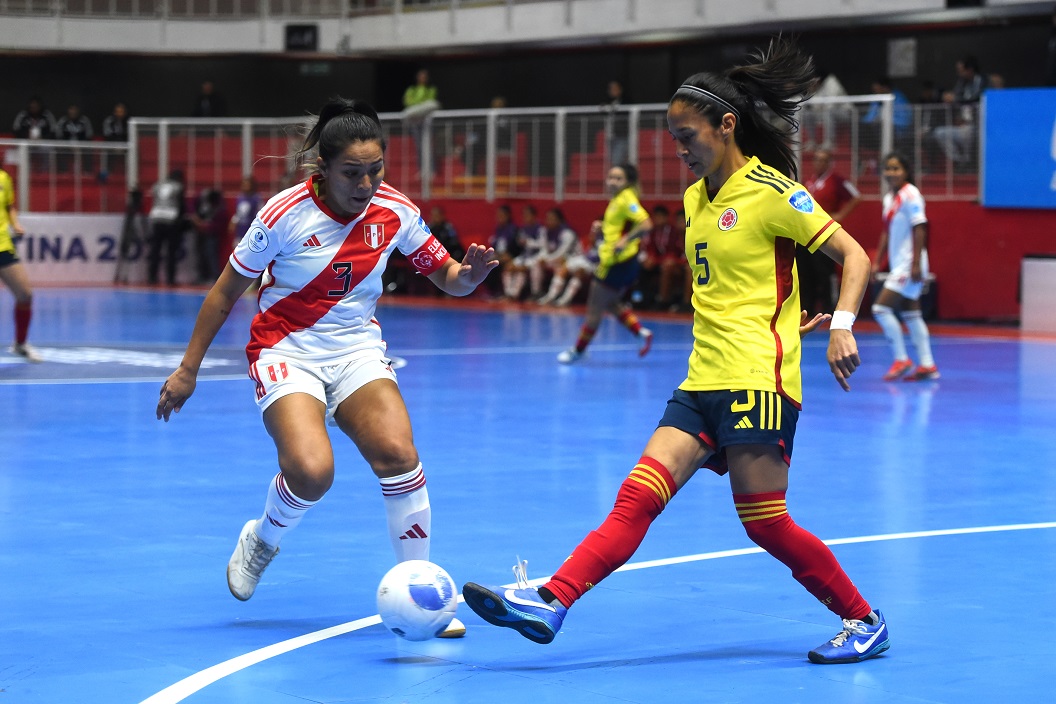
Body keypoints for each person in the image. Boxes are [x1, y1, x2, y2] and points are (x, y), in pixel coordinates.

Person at [462, 37, 889, 667]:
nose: (680, 150)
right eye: (673, 139)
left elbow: (854, 255)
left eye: (688, 137)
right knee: (636, 497)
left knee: (766, 522)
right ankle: (552, 600)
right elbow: (738, 288)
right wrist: (784, 316)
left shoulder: (773, 191)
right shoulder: (694, 199)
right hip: (701, 379)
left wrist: (843, 325)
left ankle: (864, 620)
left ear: (726, 125)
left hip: (756, 381)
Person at [155, 98, 497, 640]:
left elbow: (448, 277)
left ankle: (420, 592)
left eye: (375, 170)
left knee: (399, 456)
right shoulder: (283, 215)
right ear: (323, 167)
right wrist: (187, 370)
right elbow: (224, 293)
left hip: (356, 348)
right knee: (312, 473)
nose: (366, 184)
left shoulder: (395, 210)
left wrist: (469, 277)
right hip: (286, 351)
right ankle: (263, 538)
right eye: (352, 173)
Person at [556, 163, 653, 363]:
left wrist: (626, 240)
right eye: (610, 177)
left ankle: (578, 350)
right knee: (610, 302)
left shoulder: (627, 199)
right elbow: (619, 226)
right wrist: (603, 227)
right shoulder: (617, 200)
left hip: (616, 264)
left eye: (618, 178)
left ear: (628, 182)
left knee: (594, 309)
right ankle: (639, 332)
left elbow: (646, 224)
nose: (612, 182)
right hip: (621, 262)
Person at [871, 152, 938, 382]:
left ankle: (901, 359)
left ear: (906, 172)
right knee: (912, 313)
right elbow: (886, 232)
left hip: (910, 264)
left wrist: (916, 263)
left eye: (896, 168)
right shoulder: (889, 198)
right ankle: (927, 365)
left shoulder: (911, 195)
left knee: (880, 309)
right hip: (899, 264)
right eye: (888, 168)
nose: (891, 173)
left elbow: (920, 227)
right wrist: (877, 261)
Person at [799, 148, 861, 315]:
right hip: (806, 234)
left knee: (825, 273)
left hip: (824, 233)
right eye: (816, 159)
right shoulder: (809, 181)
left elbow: (856, 196)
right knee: (806, 272)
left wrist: (840, 215)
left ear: (829, 163)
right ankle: (807, 308)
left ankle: (829, 308)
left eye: (823, 160)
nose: (819, 163)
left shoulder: (836, 180)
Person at [0, 165, 40, 362]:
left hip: (3, 245)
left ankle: (20, 344)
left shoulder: (4, 178)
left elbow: (9, 206)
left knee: (25, 294)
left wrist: (15, 224)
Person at [931, 57, 987, 165]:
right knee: (940, 133)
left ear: (970, 70)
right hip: (963, 125)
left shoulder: (982, 81)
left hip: (980, 125)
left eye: (961, 70)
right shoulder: (962, 82)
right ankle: (959, 161)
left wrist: (956, 99)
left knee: (969, 132)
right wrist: (949, 97)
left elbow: (976, 98)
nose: (959, 74)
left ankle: (969, 162)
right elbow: (956, 96)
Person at [635, 204, 687, 310]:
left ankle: (666, 301)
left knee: (668, 266)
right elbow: (650, 248)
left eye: (660, 216)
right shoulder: (653, 231)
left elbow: (676, 253)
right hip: (662, 262)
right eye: (656, 216)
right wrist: (651, 258)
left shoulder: (673, 232)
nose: (657, 219)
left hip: (678, 264)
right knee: (641, 265)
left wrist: (668, 261)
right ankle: (641, 299)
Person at [146, 169, 188, 286]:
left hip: (157, 218)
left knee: (155, 249)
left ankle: (152, 277)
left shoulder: (157, 185)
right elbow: (181, 205)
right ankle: (170, 278)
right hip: (171, 219)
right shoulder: (178, 187)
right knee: (171, 251)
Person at [535, 208, 582, 306]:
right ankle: (536, 293)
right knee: (537, 264)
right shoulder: (546, 231)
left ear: (559, 220)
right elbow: (544, 249)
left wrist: (547, 260)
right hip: (555, 259)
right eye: (547, 218)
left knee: (560, 267)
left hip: (574, 259)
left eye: (551, 219)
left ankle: (554, 296)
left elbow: (562, 253)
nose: (548, 221)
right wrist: (543, 259)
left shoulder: (567, 233)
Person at [402, 69, 439, 173]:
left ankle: (431, 169)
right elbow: (408, 101)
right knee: (419, 146)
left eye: (424, 76)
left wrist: (419, 106)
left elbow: (430, 101)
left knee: (428, 146)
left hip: (426, 121)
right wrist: (418, 106)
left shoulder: (431, 89)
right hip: (415, 120)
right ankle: (421, 169)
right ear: (417, 78)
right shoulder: (412, 89)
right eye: (421, 76)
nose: (423, 78)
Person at [190, 187, 228, 285]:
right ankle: (201, 276)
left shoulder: (218, 203)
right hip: (200, 232)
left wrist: (209, 226)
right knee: (200, 254)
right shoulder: (199, 200)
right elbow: (192, 210)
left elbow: (222, 218)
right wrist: (197, 221)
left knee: (211, 255)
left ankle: (215, 277)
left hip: (212, 233)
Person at [489, 204, 522, 299]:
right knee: (485, 263)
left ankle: (503, 293)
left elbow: (517, 247)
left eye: (501, 215)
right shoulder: (498, 229)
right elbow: (495, 245)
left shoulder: (514, 230)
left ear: (507, 215)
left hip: (511, 257)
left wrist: (510, 256)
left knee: (497, 265)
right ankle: (493, 292)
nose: (499, 217)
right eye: (498, 215)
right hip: (499, 255)